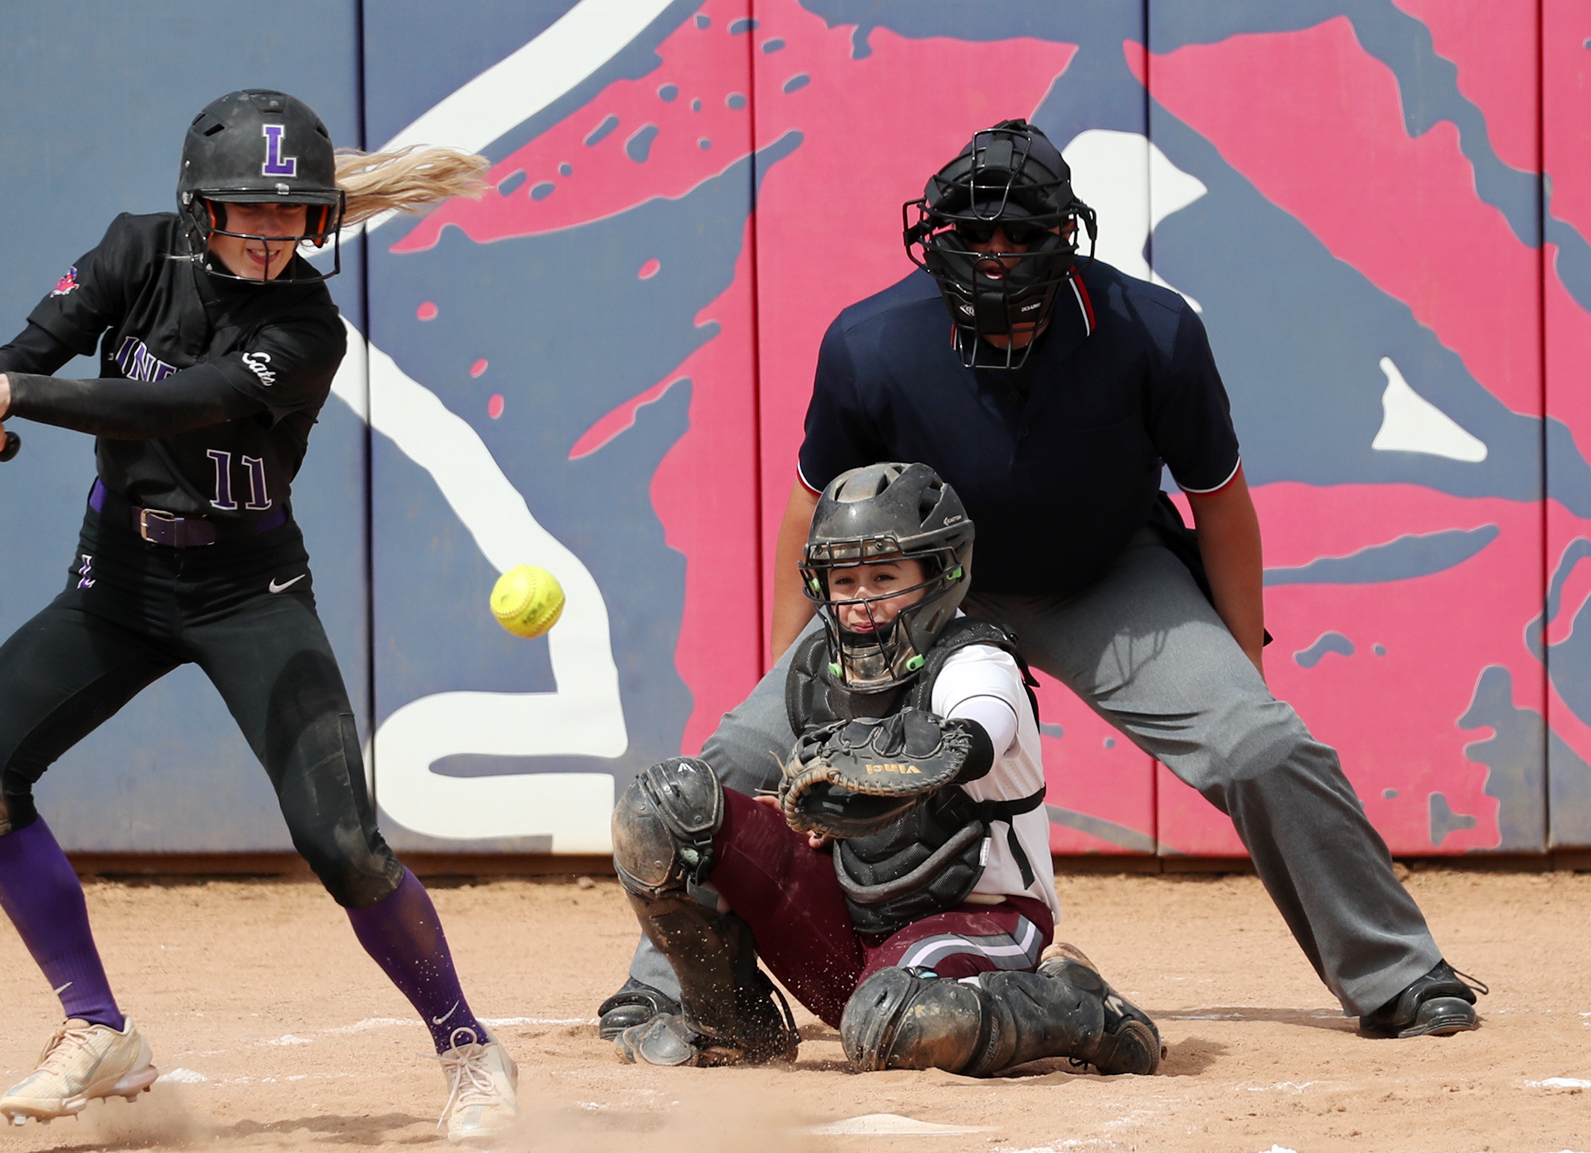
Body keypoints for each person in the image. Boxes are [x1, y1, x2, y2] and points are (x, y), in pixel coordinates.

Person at [600, 119, 1482, 1045]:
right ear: (933, 237)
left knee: (1264, 748)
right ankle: (666, 989)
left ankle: (1400, 974)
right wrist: (794, 679)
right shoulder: (870, 342)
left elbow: (1222, 507)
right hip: (925, 596)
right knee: (734, 759)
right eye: (976, 235)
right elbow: (805, 515)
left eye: (1023, 234)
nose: (998, 257)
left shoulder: (1154, 332)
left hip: (1105, 577)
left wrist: (1243, 673)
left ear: (1068, 237)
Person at [0, 88, 516, 1140]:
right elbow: (34, 349)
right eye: (251, 211)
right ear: (199, 206)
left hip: (251, 592)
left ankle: (468, 1046)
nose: (275, 235)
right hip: (120, 583)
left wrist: (16, 404)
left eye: (294, 214)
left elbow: (175, 403)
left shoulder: (303, 327)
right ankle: (95, 1028)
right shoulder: (133, 253)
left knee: (343, 846)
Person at [610, 461, 1161, 1076]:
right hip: (859, 930)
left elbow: (975, 735)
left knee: (889, 1022)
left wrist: (880, 764)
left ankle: (1077, 1006)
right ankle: (733, 1025)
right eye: (844, 581)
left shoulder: (975, 660)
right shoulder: (822, 670)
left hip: (986, 918)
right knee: (662, 807)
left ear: (939, 574)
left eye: (884, 576)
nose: (861, 601)